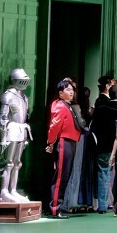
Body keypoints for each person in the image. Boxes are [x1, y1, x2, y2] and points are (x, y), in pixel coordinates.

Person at [44, 77, 87, 218]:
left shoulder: (67, 105)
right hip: (64, 142)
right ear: (60, 93)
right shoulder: (60, 105)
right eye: (68, 90)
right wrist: (51, 142)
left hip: (71, 142)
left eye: (72, 90)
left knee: (65, 176)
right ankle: (55, 208)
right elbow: (54, 126)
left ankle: (57, 206)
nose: (71, 92)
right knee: (61, 177)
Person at [0, 68, 33, 202]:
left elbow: (24, 117)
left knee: (17, 163)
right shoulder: (8, 95)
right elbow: (2, 117)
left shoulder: (23, 97)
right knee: (8, 162)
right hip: (11, 129)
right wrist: (3, 137)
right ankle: (4, 191)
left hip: (21, 130)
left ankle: (13, 189)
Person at [89, 76, 117, 213]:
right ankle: (116, 203)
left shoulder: (100, 108)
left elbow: (93, 128)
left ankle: (102, 205)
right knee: (115, 175)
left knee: (102, 174)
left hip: (102, 146)